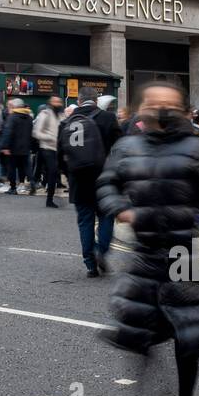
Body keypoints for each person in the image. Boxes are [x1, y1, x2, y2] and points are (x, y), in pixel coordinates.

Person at [97, 81, 199, 396]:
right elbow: (106, 185)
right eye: (154, 103)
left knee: (187, 331)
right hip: (146, 252)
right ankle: (153, 393)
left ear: (183, 111)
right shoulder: (126, 147)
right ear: (141, 108)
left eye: (169, 104)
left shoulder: (193, 148)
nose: (161, 109)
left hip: (185, 252)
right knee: (135, 330)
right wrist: (120, 209)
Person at [59, 91, 121, 277]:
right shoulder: (108, 118)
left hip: (79, 179)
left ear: (79, 101)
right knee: (106, 217)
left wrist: (69, 175)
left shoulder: (66, 123)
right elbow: (121, 147)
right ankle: (102, 250)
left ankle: (90, 264)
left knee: (85, 221)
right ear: (96, 101)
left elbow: (59, 156)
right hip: (105, 179)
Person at [33, 96, 65, 208]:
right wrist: (51, 138)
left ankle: (49, 195)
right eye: (55, 101)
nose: (58, 103)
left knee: (54, 172)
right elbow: (36, 132)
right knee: (52, 171)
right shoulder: (45, 114)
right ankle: (49, 200)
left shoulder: (62, 115)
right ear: (50, 103)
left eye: (59, 101)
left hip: (59, 148)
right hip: (47, 147)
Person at [0, 98, 34, 196]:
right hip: (26, 147)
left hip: (13, 148)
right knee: (26, 167)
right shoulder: (29, 117)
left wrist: (5, 146)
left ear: (14, 107)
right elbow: (32, 133)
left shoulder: (12, 117)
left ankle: (13, 187)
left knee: (12, 168)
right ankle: (32, 183)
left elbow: (7, 133)